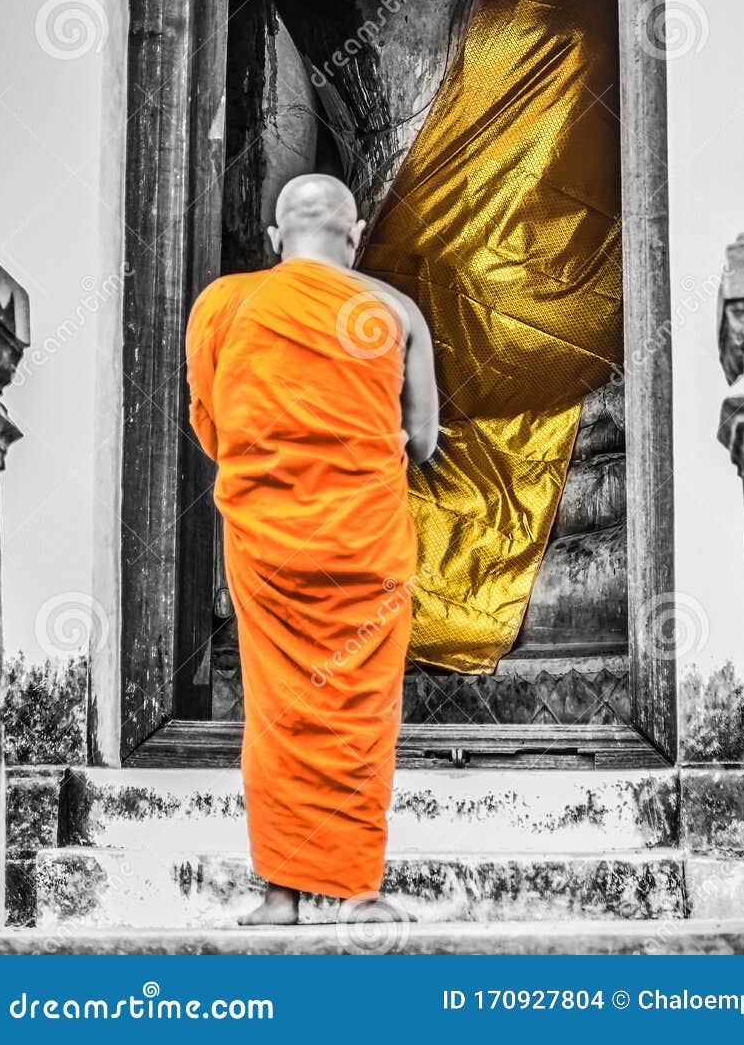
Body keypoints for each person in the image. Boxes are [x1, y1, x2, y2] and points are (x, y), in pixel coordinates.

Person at [185, 173, 438, 926]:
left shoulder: (224, 306)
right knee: (361, 711)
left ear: (273, 241)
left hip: (268, 543)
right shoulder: (392, 311)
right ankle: (360, 893)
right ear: (355, 237)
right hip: (365, 544)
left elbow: (214, 426)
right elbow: (422, 441)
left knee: (277, 707)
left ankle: (280, 896)